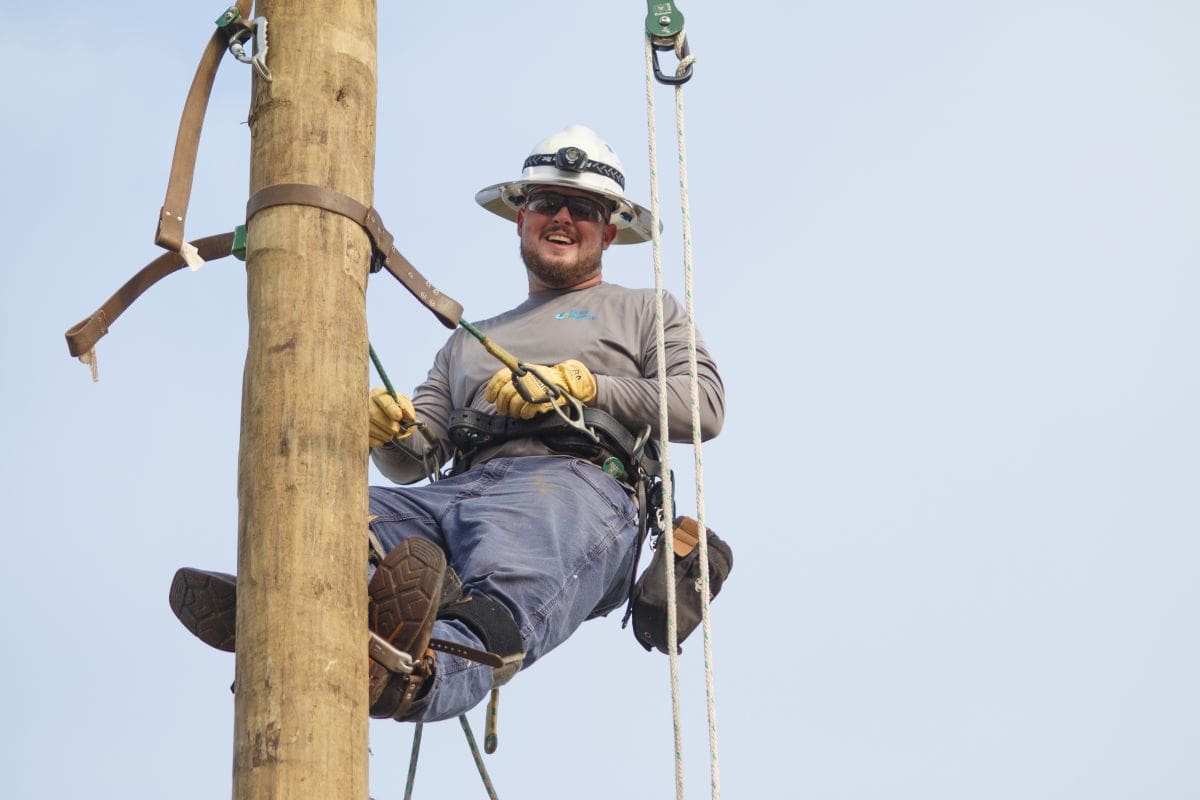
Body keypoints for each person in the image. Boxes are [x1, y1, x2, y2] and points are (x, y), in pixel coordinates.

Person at [170, 124, 725, 723]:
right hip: (456, 495)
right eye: (547, 202)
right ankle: (294, 608)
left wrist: (587, 386)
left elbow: (704, 405)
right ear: (521, 218)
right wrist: (386, 431)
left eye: (583, 208)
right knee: (337, 513)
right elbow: (414, 459)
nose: (563, 217)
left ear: (609, 231)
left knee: (502, 595)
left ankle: (413, 674)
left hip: (573, 487)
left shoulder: (645, 310)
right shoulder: (468, 343)